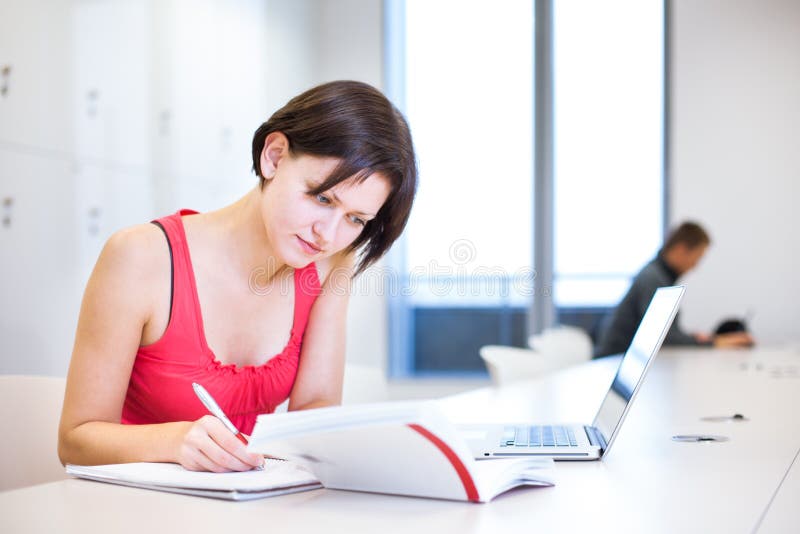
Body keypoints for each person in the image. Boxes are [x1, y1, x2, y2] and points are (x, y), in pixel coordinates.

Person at [58, 81, 417, 472]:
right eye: (322, 197)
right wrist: (172, 440)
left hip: (249, 506)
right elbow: (76, 440)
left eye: (355, 219)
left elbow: (313, 409)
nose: (328, 235)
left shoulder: (332, 264)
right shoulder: (140, 257)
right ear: (274, 157)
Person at [594, 221, 754, 358]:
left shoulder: (659, 276)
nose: (695, 267)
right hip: (613, 364)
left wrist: (695, 338)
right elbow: (663, 337)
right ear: (681, 249)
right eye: (697, 258)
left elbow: (667, 334)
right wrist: (716, 342)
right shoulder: (653, 278)